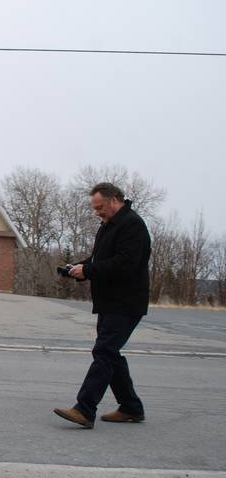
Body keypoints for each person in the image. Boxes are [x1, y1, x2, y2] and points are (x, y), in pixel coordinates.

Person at [54, 182, 151, 428]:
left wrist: (89, 269)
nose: (97, 212)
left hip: (127, 302)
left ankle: (84, 409)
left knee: (104, 352)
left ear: (114, 199)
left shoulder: (132, 225)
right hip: (109, 302)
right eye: (95, 209)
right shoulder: (107, 226)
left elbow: (124, 264)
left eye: (100, 207)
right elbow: (99, 260)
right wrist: (79, 268)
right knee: (110, 354)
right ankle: (131, 407)